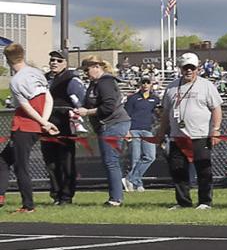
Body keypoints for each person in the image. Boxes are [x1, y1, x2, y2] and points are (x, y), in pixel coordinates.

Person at [152, 53, 223, 209]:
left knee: (204, 170)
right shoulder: (171, 87)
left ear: (197, 68)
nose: (188, 71)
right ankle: (183, 202)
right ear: (180, 68)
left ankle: (205, 201)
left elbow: (216, 109)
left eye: (192, 68)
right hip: (177, 137)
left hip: (200, 135)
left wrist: (215, 130)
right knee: (178, 171)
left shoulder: (206, 86)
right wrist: (161, 132)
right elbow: (166, 113)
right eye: (185, 68)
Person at [1, 42, 59, 213]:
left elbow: (26, 107)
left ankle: (28, 205)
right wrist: (45, 122)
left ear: (7, 60)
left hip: (24, 127)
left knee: (21, 167)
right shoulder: (37, 73)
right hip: (36, 125)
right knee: (3, 160)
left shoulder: (16, 80)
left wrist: (43, 123)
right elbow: (48, 99)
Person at [74, 58, 131, 206]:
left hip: (113, 124)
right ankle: (116, 195)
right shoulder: (94, 84)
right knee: (110, 161)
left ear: (97, 66)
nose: (86, 73)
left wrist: (87, 112)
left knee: (111, 161)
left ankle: (116, 198)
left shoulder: (105, 82)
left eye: (87, 70)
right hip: (105, 125)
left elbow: (109, 106)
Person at [41, 51, 85, 204]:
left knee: (66, 161)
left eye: (58, 60)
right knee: (50, 162)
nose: (54, 62)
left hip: (64, 124)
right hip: (46, 124)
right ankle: (56, 194)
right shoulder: (44, 79)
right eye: (52, 59)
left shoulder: (72, 79)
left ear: (65, 63)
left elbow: (80, 101)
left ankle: (66, 195)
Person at [123, 76, 160, 193]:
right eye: (143, 82)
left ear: (151, 84)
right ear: (140, 84)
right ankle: (137, 184)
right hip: (134, 129)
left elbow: (159, 113)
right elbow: (126, 115)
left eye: (147, 82)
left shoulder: (155, 99)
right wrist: (126, 130)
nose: (145, 85)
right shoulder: (132, 98)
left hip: (148, 130)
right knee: (135, 158)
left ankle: (131, 179)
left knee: (150, 156)